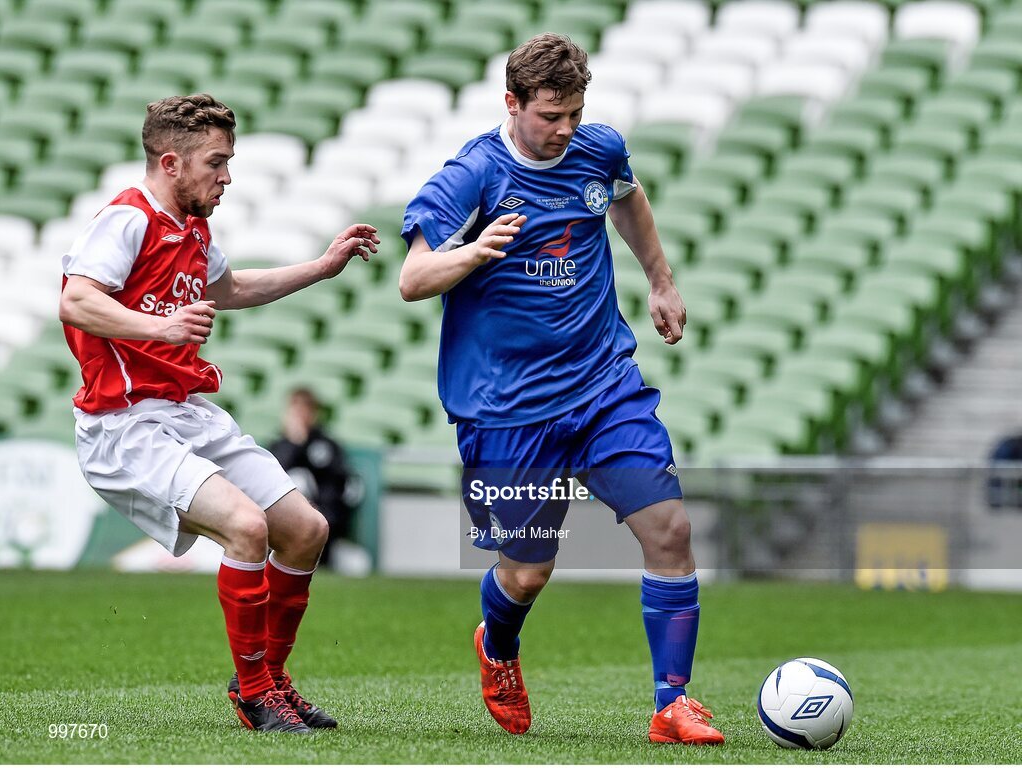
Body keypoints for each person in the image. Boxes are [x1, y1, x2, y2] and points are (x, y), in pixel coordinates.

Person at [399, 34, 724, 745]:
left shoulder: (599, 149)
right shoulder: (473, 174)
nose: (566, 129)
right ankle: (498, 646)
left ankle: (673, 704)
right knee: (527, 571)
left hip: (603, 384)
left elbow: (627, 202)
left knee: (669, 529)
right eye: (551, 115)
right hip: (507, 409)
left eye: (575, 112)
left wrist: (661, 282)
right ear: (512, 104)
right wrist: (472, 252)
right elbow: (412, 279)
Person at [59, 94, 379, 734]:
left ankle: (271, 680)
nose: (227, 177)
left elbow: (231, 291)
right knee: (246, 528)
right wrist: (161, 325)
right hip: (123, 425)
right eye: (217, 163)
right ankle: (256, 694)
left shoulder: (194, 227)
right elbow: (76, 301)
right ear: (171, 162)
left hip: (186, 411)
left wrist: (321, 267)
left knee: (305, 529)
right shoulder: (128, 218)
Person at [268, 387, 362, 569]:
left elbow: (337, 487)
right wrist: (294, 442)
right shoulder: (279, 445)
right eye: (294, 411)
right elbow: (274, 475)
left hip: (322, 521)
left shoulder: (327, 445)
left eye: (304, 410)